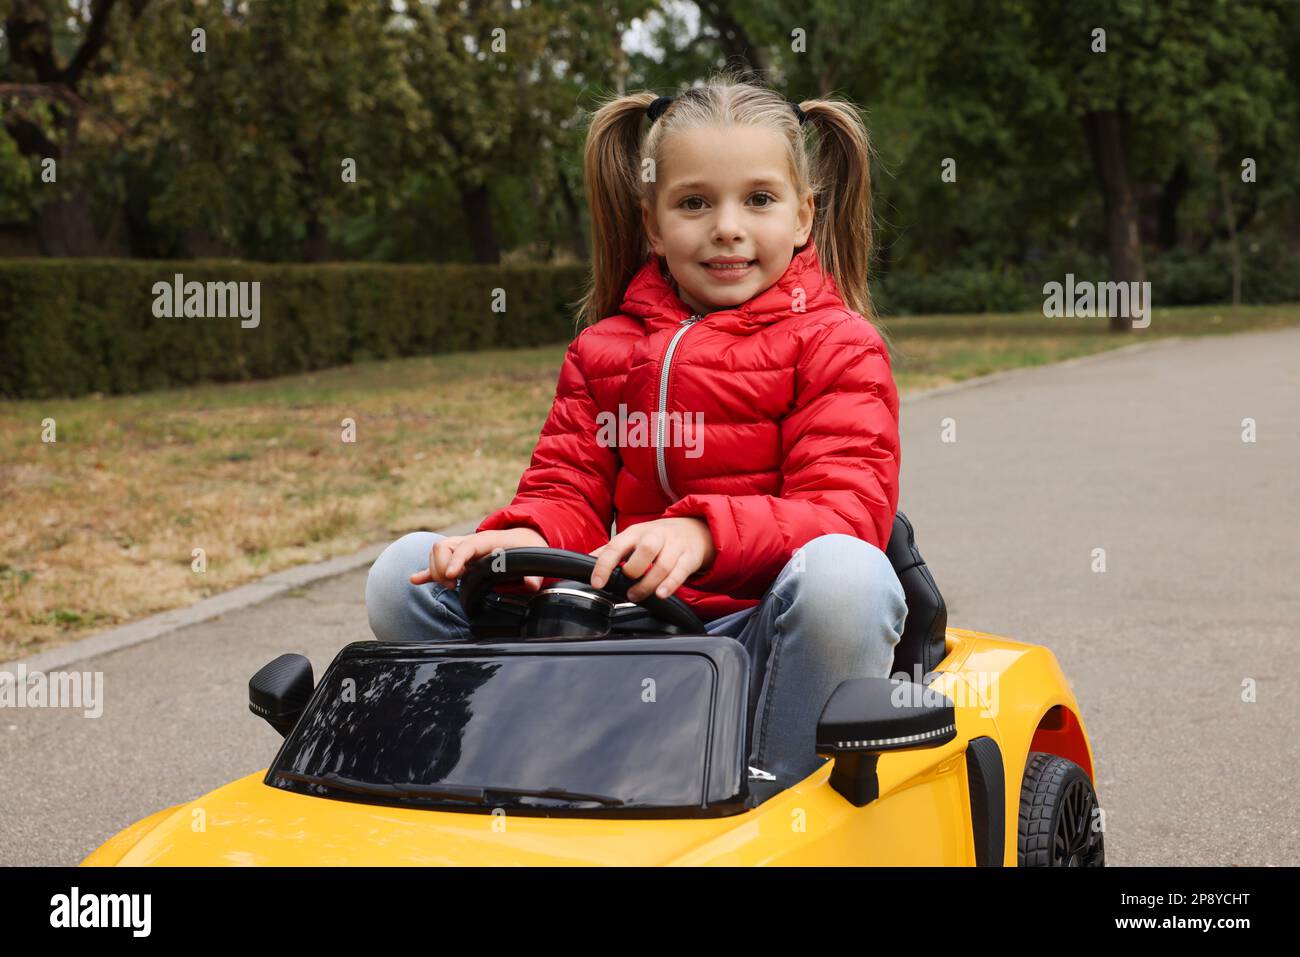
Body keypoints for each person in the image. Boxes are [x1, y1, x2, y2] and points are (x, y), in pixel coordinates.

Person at [366, 74, 906, 788]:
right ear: (652, 222)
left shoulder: (838, 343)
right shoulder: (604, 350)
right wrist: (527, 538)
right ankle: (486, 766)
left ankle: (777, 794)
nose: (728, 227)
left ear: (804, 216)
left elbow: (846, 511)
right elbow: (568, 490)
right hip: (626, 634)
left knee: (850, 576)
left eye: (760, 200)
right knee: (401, 576)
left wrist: (704, 532)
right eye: (694, 203)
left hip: (763, 635)